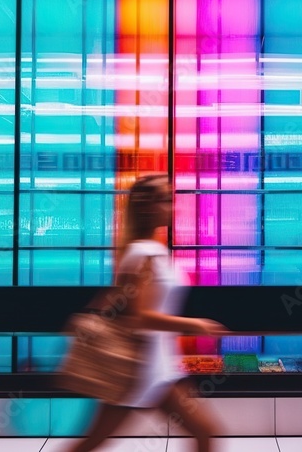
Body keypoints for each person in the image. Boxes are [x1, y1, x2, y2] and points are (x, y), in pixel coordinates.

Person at [68, 174, 226, 452]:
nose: (172, 206)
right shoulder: (142, 254)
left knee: (205, 434)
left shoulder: (150, 251)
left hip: (159, 365)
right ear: (146, 207)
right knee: (204, 433)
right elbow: (139, 317)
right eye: (165, 200)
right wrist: (195, 325)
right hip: (139, 368)